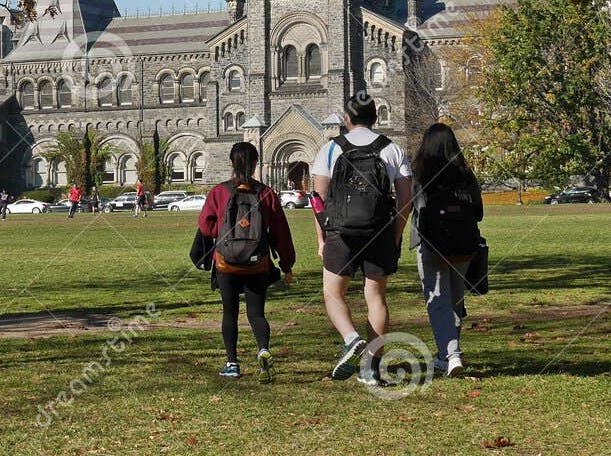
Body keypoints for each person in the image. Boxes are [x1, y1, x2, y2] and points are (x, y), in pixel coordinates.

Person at [311, 92, 413, 385]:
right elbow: (406, 198)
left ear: (346, 119)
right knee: (376, 297)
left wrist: (322, 239)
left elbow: (319, 201)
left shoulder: (330, 149)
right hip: (380, 230)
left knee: (333, 293)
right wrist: (396, 233)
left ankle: (350, 337)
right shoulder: (391, 149)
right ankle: (371, 368)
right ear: (376, 117)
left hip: (340, 232)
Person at [192, 141, 295, 379]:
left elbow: (206, 227)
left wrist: (224, 231)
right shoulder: (266, 193)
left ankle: (232, 363)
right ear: (256, 164)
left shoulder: (219, 192)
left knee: (229, 313)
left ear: (231, 163)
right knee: (257, 314)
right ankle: (263, 350)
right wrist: (286, 265)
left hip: (226, 263)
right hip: (257, 263)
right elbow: (281, 233)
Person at [411, 123, 483, 377]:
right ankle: (447, 354)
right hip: (464, 245)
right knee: (455, 300)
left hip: (432, 245)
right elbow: (479, 212)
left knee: (438, 300)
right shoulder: (464, 173)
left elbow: (417, 210)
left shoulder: (420, 173)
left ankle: (451, 355)